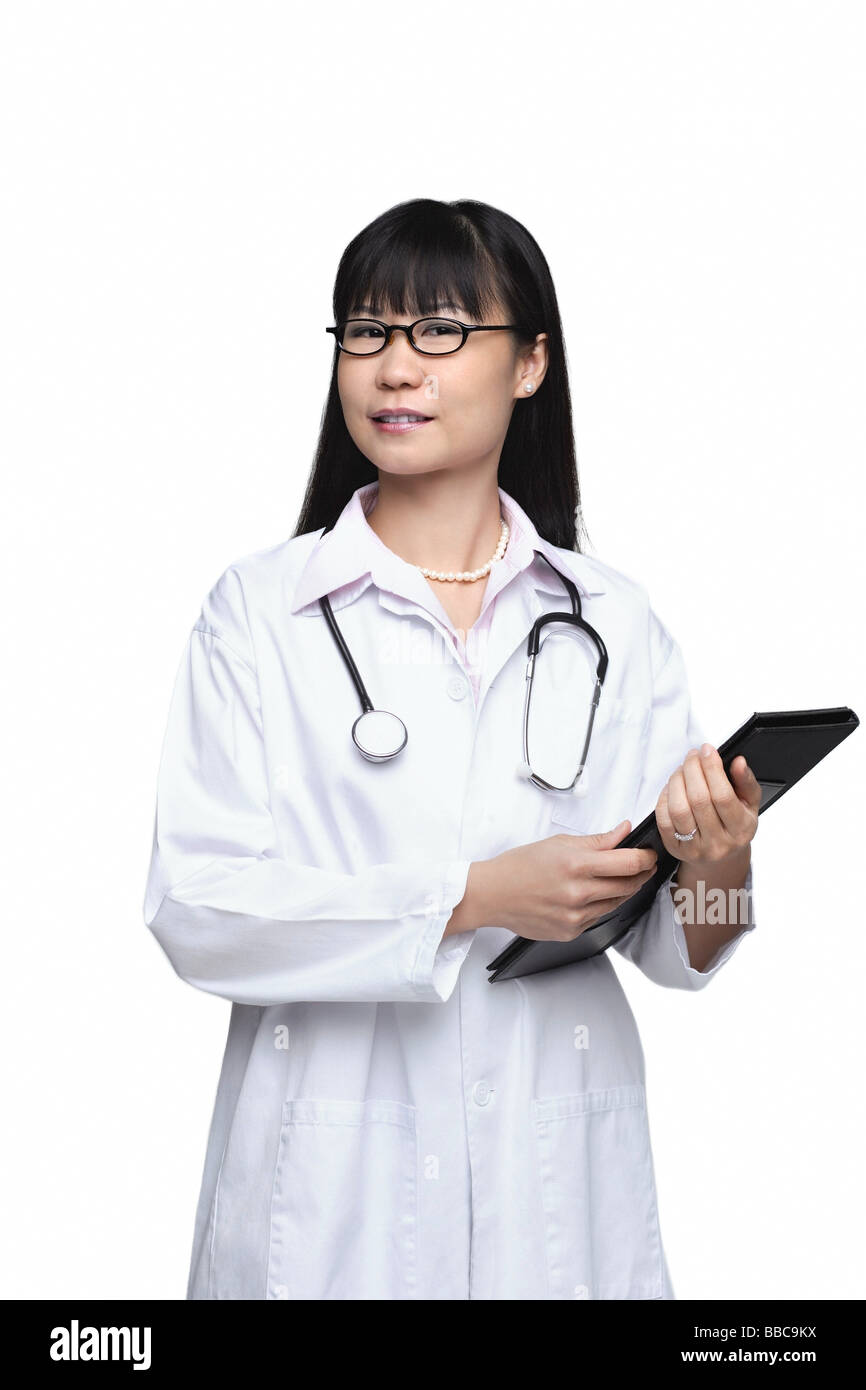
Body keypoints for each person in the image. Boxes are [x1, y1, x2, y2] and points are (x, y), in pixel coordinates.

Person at [143, 197, 761, 1301]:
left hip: (555, 1197)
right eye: (366, 331)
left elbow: (680, 956)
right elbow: (199, 910)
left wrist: (717, 868)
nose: (394, 367)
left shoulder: (612, 620)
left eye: (439, 331)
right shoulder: (258, 613)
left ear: (528, 363)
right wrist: (468, 897)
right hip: (333, 1198)